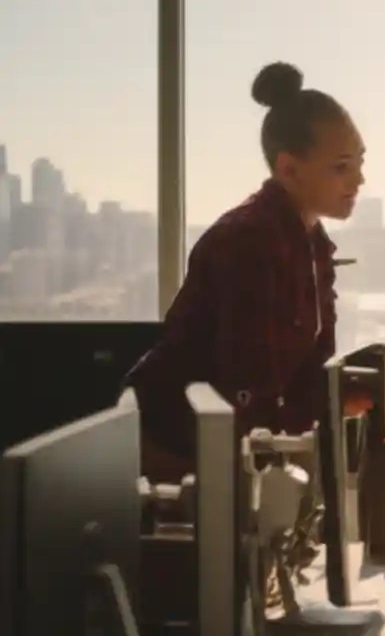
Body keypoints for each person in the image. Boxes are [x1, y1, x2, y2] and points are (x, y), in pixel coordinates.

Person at [127, 62, 366, 483]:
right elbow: (248, 388)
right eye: (341, 166)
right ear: (289, 168)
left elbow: (310, 373)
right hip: (171, 449)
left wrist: (352, 396)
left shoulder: (314, 244)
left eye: (360, 162)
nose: (359, 179)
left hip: (232, 446)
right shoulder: (247, 240)